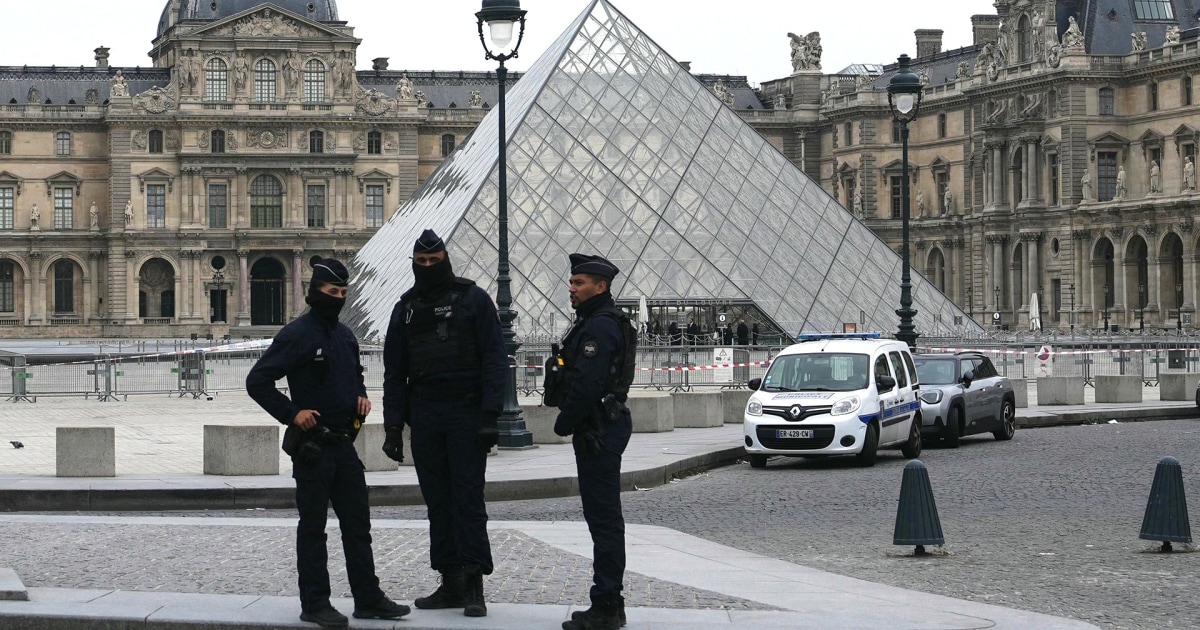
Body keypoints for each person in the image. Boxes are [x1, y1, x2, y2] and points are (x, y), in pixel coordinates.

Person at [246, 259, 409, 628]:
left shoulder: (346, 335)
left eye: (342, 293)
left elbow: (355, 374)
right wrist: (291, 413)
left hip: (343, 445)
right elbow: (257, 381)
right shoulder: (296, 334)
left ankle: (367, 597)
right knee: (313, 528)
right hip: (313, 448)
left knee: (358, 525)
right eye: (331, 292)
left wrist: (361, 396)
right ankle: (315, 602)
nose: (337, 298)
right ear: (314, 292)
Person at [381, 230, 506, 618]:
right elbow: (394, 373)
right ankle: (449, 579)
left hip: (466, 413)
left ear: (446, 259)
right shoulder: (405, 309)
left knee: (468, 499)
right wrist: (392, 428)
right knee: (438, 502)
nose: (429, 267)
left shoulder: (474, 300)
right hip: (426, 414)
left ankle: (473, 583)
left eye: (435, 261)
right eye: (423, 262)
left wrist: (489, 417)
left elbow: (494, 360)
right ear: (415, 263)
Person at [551, 254, 636, 630]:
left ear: (601, 287)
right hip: (601, 425)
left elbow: (587, 383)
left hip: (597, 428)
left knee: (602, 518)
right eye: (571, 282)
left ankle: (606, 604)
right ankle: (610, 602)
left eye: (579, 283)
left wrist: (562, 423)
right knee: (602, 516)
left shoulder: (599, 327)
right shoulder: (596, 320)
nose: (572, 289)